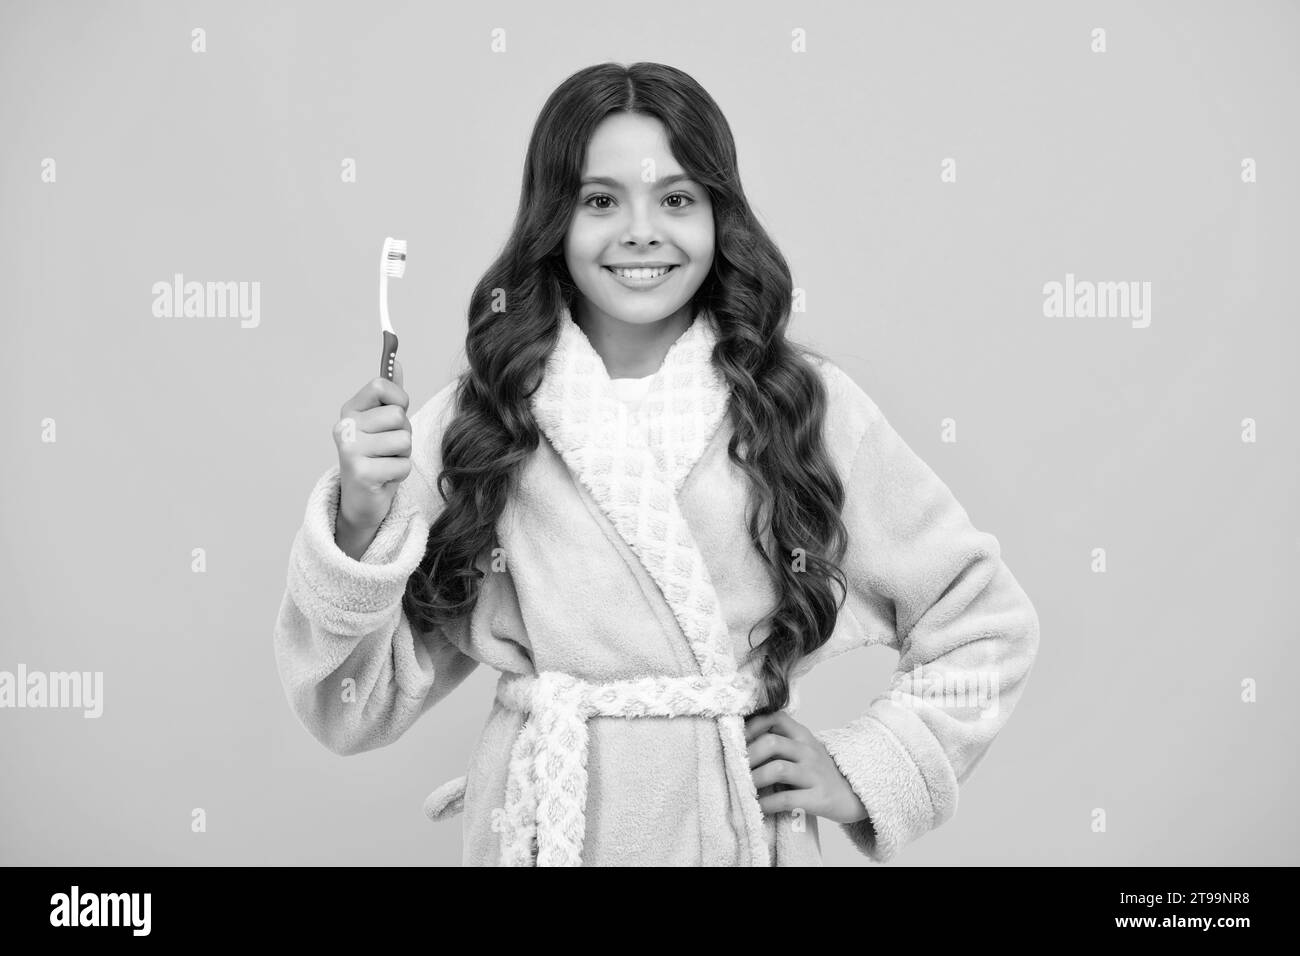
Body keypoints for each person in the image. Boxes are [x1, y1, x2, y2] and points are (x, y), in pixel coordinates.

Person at [273, 61, 1040, 866]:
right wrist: (359, 525)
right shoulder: (484, 419)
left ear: (719, 217)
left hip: (733, 834)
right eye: (600, 201)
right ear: (552, 222)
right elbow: (345, 710)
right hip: (545, 830)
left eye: (676, 199)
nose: (641, 232)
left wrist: (868, 770)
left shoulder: (800, 406)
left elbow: (984, 623)